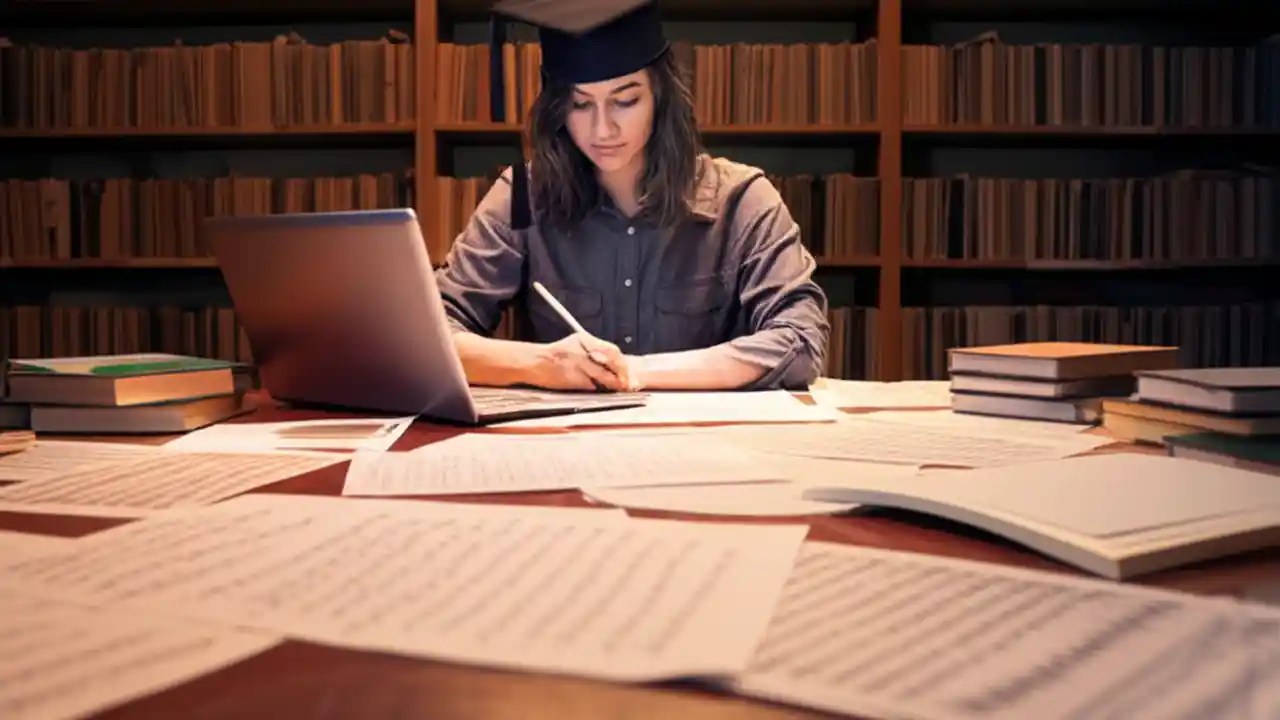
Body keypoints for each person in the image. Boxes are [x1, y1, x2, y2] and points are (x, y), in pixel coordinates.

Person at [435, 0, 831, 393]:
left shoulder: (741, 200)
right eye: (581, 104)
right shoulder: (523, 195)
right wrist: (542, 364)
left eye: (625, 101)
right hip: (565, 448)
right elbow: (433, 334)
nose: (602, 129)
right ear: (558, 107)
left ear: (660, 96)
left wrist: (636, 372)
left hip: (701, 445)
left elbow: (800, 341)